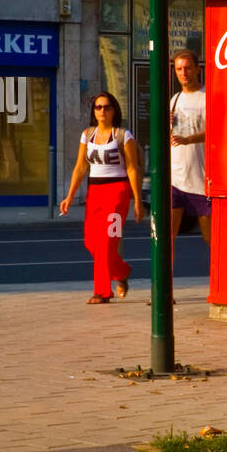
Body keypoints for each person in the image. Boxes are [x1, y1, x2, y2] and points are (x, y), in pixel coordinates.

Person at [59, 92, 144, 303]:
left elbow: (133, 169)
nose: (102, 111)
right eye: (98, 107)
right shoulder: (87, 135)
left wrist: (138, 201)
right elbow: (80, 167)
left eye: (106, 107)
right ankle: (121, 272)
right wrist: (69, 196)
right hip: (95, 192)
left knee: (108, 242)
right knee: (91, 242)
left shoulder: (124, 135)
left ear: (114, 110)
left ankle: (102, 291)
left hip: (118, 193)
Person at [169, 50, 210, 275]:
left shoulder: (206, 97)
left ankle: (223, 281)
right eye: (179, 69)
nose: (183, 73)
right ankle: (166, 292)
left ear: (197, 69)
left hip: (200, 178)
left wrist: (188, 139)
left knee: (211, 238)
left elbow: (216, 131)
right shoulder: (174, 100)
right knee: (167, 238)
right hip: (175, 178)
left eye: (187, 68)